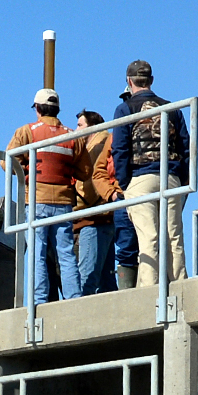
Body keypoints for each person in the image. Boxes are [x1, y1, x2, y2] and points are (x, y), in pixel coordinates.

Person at [112, 59, 190, 285]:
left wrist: (125, 184)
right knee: (173, 237)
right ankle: (181, 285)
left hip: (140, 178)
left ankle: (149, 290)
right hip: (171, 178)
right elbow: (185, 146)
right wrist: (183, 180)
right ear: (151, 80)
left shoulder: (125, 109)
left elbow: (119, 149)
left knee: (148, 238)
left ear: (129, 81)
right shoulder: (171, 108)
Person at [8, 88, 87, 304]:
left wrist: (28, 170)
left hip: (37, 200)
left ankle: (39, 301)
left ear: (38, 108)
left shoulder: (27, 131)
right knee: (66, 253)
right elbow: (85, 171)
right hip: (64, 202)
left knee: (37, 253)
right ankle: (74, 298)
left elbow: (7, 163)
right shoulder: (72, 135)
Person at [72, 109, 122, 295]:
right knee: (106, 282)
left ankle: (81, 313)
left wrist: (73, 204)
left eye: (80, 125)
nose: (76, 130)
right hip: (103, 217)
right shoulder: (104, 143)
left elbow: (89, 187)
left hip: (94, 219)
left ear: (91, 127)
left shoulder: (95, 147)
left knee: (87, 279)